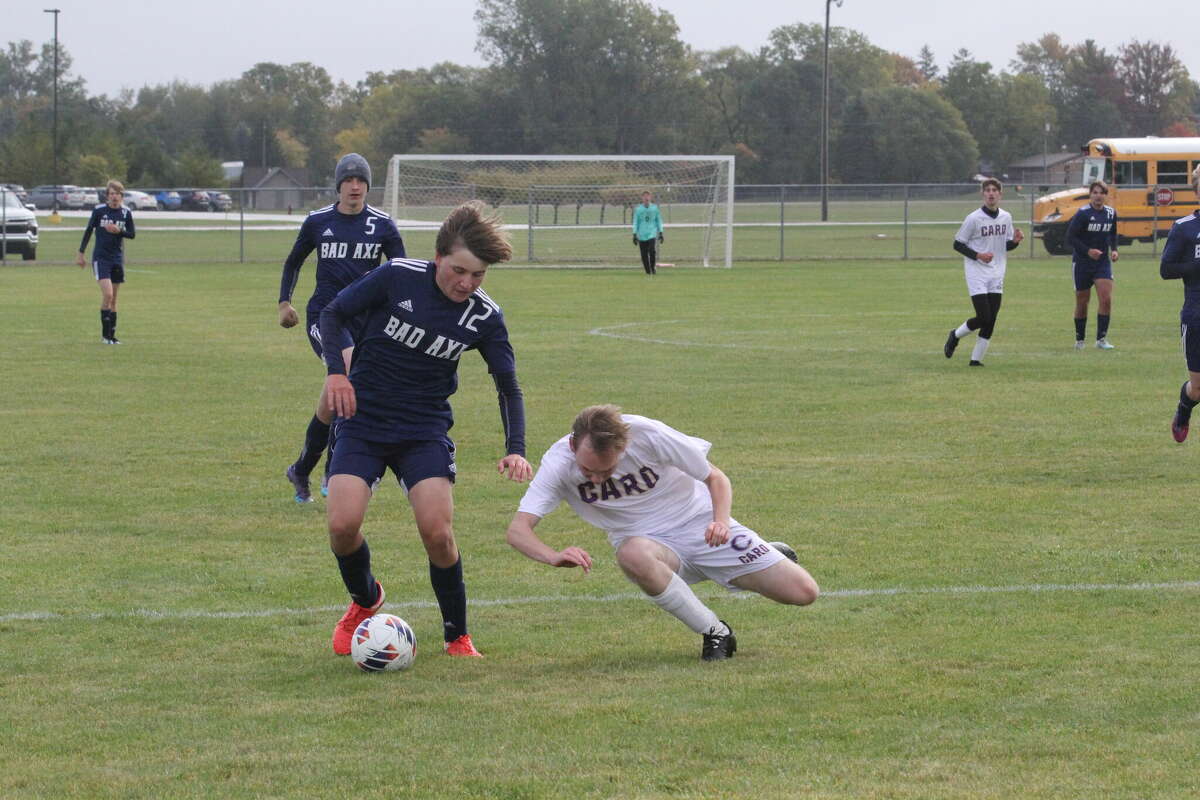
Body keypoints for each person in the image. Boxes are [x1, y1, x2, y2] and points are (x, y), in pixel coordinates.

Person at [320, 201, 532, 658]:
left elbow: (507, 385)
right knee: (342, 525)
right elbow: (332, 314)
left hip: (423, 430)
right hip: (364, 423)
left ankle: (457, 635)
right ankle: (365, 600)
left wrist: (515, 447)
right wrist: (337, 372)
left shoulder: (483, 316)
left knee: (438, 533)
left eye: (478, 275)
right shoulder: (397, 276)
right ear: (438, 256)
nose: (466, 283)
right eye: (459, 270)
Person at [505, 404, 819, 662]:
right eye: (588, 471)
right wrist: (553, 556)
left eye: (607, 470)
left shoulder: (648, 434)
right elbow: (518, 531)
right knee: (631, 554)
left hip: (701, 525)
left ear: (623, 447)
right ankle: (715, 632)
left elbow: (715, 478)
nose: (597, 480)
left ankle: (764, 554)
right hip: (648, 544)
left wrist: (721, 522)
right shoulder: (558, 463)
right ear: (573, 446)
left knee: (804, 593)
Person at [278, 153, 406, 503]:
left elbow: (401, 274)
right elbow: (293, 262)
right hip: (326, 316)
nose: (354, 186)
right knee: (348, 374)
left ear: (367, 186)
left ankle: (302, 468)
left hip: (366, 321)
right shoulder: (318, 221)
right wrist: (284, 303)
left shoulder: (382, 225)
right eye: (348, 180)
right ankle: (336, 469)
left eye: (361, 181)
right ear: (338, 186)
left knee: (332, 400)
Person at [943, 178, 1024, 366]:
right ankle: (955, 335)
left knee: (992, 319)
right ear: (983, 194)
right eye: (987, 190)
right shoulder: (974, 218)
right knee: (984, 316)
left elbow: (1004, 246)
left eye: (995, 190)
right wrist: (978, 255)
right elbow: (957, 244)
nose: (991, 193)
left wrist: (1015, 241)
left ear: (1000, 195)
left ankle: (976, 360)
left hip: (997, 272)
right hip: (976, 272)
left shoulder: (1006, 217)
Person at [1161, 165, 1200, 443]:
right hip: (1196, 314)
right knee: (1197, 389)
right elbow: (1166, 269)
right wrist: (1194, 266)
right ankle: (1184, 410)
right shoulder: (1184, 228)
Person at [76, 180, 135, 344]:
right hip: (101, 258)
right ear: (107, 196)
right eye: (111, 194)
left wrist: (119, 231)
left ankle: (111, 337)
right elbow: (88, 231)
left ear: (121, 196)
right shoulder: (99, 211)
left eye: (117, 194)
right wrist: (81, 253)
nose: (114, 197)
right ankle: (104, 336)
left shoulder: (126, 213)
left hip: (116, 258)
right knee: (107, 295)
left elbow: (132, 234)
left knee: (114, 300)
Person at [1066, 181, 1119, 350]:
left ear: (1106, 195)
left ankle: (1101, 340)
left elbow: (1113, 233)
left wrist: (1114, 249)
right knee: (1083, 302)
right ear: (1090, 194)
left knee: (1106, 298)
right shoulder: (1082, 214)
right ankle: (1080, 340)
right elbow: (1070, 238)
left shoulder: (1111, 213)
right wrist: (1088, 251)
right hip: (1082, 262)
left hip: (1102, 263)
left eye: (1101, 192)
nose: (1098, 195)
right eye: (1095, 192)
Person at [632, 190, 664, 275]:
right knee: (644, 254)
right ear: (642, 198)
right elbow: (635, 222)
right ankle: (648, 271)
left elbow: (658, 221)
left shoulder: (654, 208)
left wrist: (661, 232)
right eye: (644, 196)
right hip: (642, 235)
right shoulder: (638, 210)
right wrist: (634, 234)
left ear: (650, 197)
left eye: (648, 196)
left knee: (652, 250)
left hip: (651, 233)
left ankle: (653, 268)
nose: (646, 198)